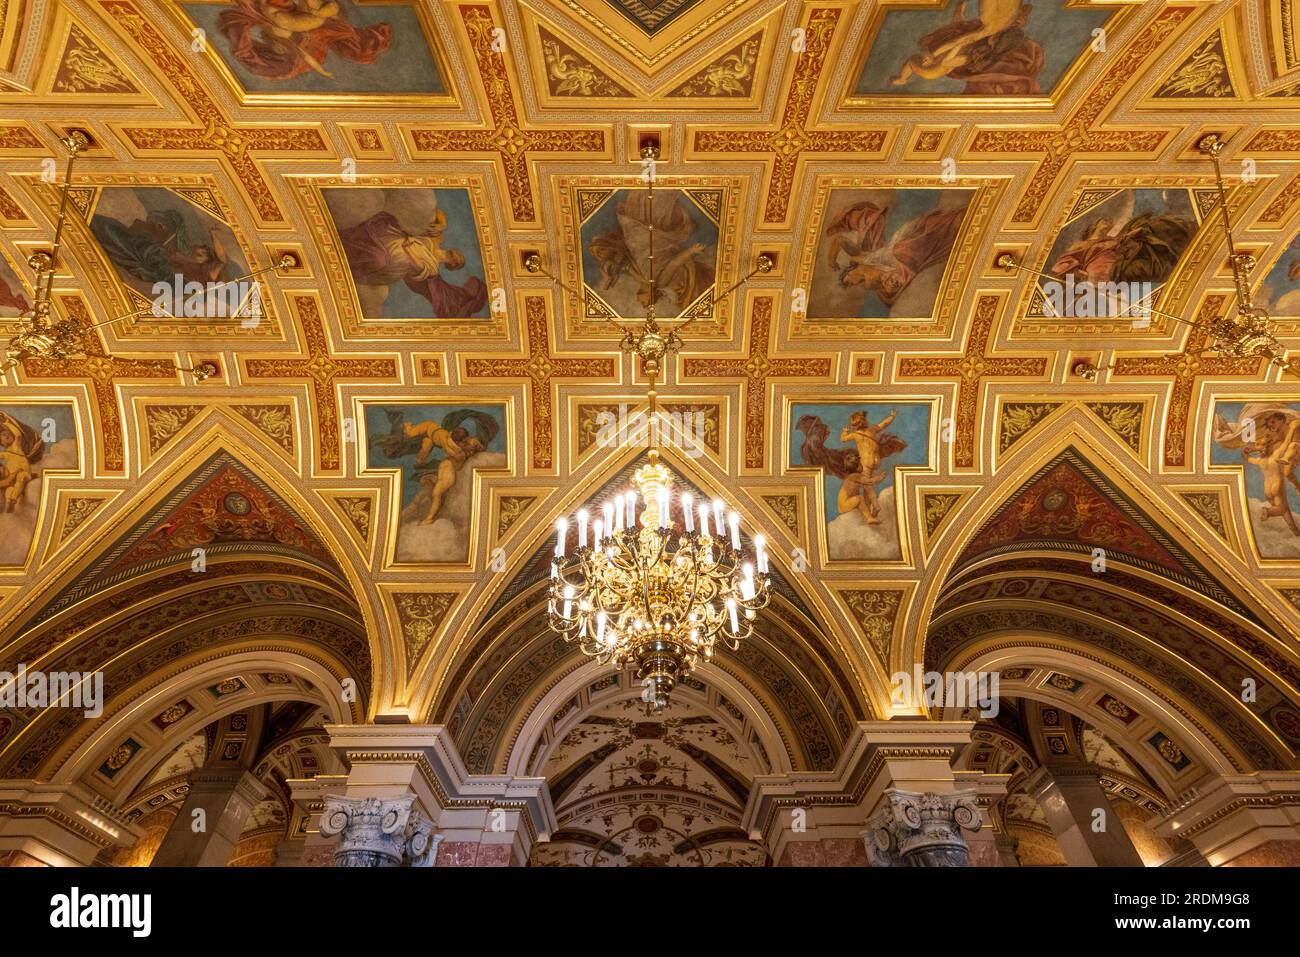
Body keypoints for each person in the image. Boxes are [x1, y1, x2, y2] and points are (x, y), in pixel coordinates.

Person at [400, 419, 484, 525]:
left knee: (437, 491)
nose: (465, 445)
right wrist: (460, 451)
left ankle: (429, 518)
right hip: (431, 431)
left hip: (437, 447)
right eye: (461, 443)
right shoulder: (448, 442)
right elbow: (453, 452)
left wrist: (466, 451)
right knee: (412, 435)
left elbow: (468, 451)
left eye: (465, 442)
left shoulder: (463, 444)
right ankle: (408, 425)